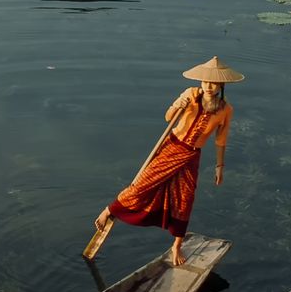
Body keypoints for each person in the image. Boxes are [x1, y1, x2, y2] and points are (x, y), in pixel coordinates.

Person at [94, 56, 243, 267]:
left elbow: (221, 140)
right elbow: (168, 117)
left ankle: (176, 246)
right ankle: (109, 210)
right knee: (142, 185)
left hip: (191, 155)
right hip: (171, 147)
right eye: (205, 82)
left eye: (213, 83)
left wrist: (220, 166)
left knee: (185, 199)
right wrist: (178, 106)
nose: (209, 87)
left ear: (221, 85)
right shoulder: (190, 94)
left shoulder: (226, 109)